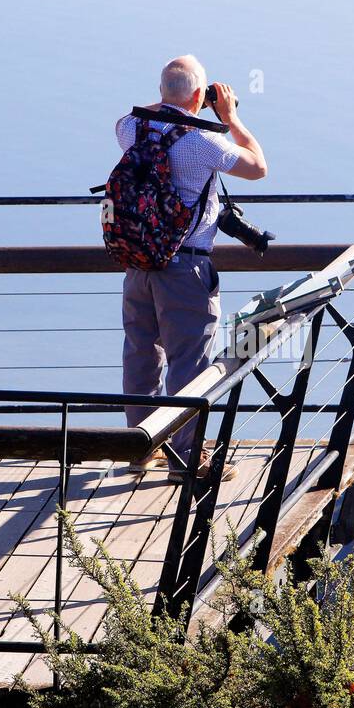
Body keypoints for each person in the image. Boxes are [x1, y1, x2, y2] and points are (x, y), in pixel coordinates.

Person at [118, 55, 268, 482]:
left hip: (138, 261)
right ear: (200, 97)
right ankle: (186, 460)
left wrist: (177, 100)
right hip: (185, 269)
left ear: (163, 91)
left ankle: (140, 448)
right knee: (189, 362)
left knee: (141, 353)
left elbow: (148, 110)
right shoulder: (204, 142)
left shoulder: (131, 129)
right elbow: (258, 167)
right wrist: (230, 116)